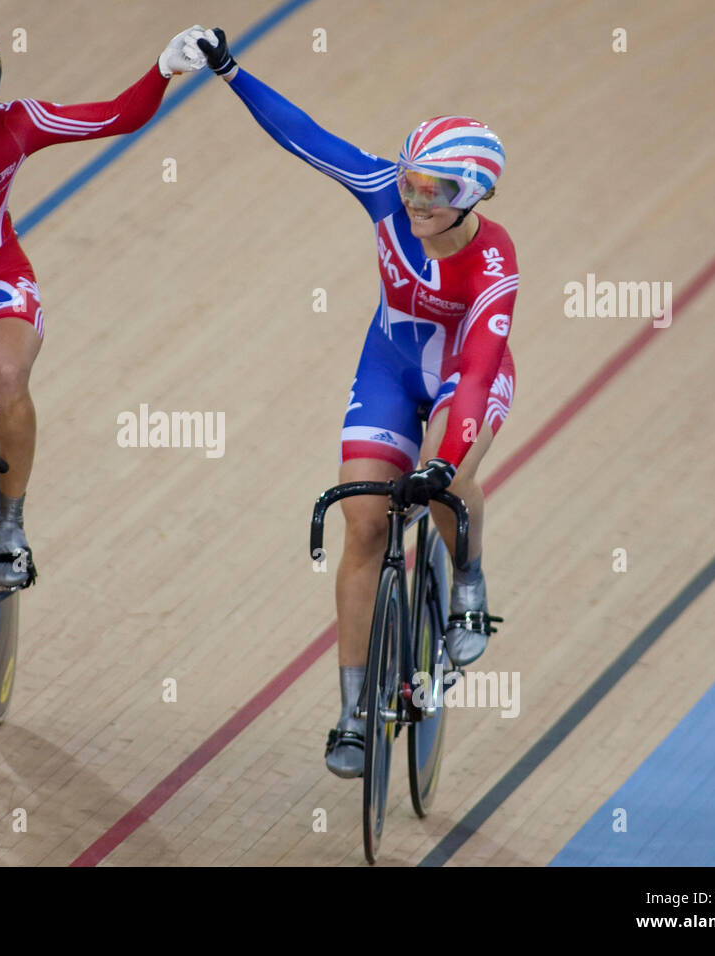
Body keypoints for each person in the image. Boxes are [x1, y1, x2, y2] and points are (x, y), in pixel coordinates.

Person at [195, 29, 515, 777]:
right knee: (364, 525)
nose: (413, 199)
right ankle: (352, 712)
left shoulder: (494, 260)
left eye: (432, 191)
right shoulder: (382, 192)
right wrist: (231, 72)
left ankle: (467, 583)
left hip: (465, 376)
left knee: (449, 472)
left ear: (470, 194)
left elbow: (477, 370)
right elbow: (305, 136)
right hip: (389, 366)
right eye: (409, 182)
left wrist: (444, 463)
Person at [0, 24, 208, 590]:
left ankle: (10, 527)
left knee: (4, 373)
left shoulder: (18, 125)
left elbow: (117, 115)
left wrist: (163, 68)